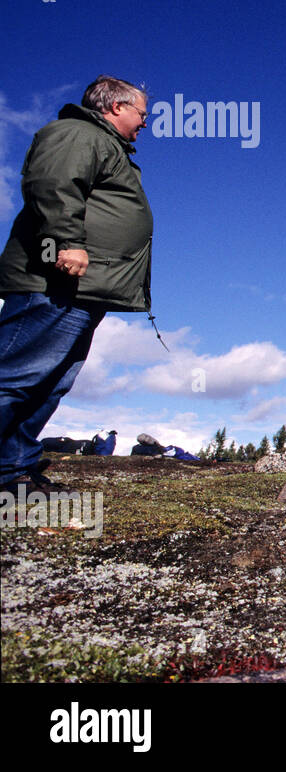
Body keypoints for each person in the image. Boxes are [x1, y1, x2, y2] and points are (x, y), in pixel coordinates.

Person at [0, 76, 153, 497]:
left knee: (51, 382)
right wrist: (66, 241)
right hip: (50, 283)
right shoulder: (78, 133)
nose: (145, 122)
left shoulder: (106, 146)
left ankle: (12, 473)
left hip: (85, 290)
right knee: (16, 377)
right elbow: (50, 185)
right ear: (116, 107)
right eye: (142, 113)